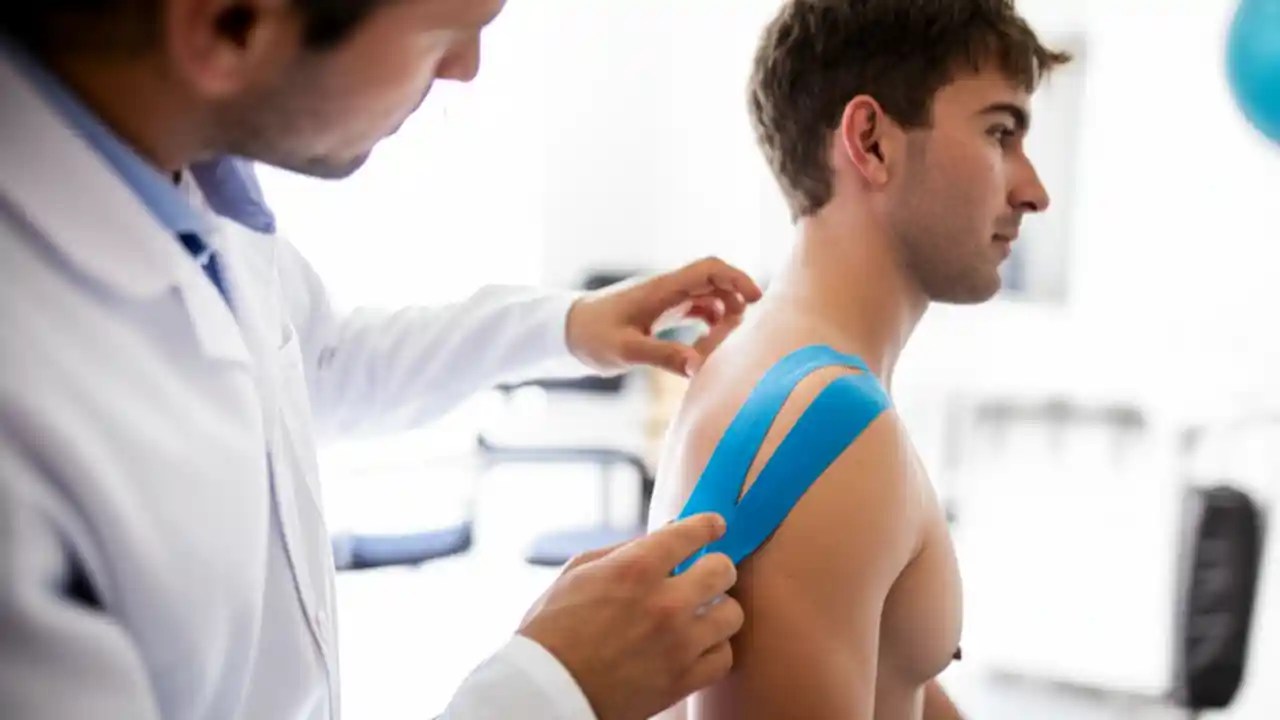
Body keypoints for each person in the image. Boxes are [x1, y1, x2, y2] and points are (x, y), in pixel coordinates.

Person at [0, 1, 760, 719]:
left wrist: (566, 326)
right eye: (442, 30)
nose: (466, 67)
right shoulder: (21, 436)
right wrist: (552, 688)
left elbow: (318, 361)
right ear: (228, 25)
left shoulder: (193, 189)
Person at [647, 1, 1070, 718]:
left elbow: (891, 675)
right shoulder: (829, 429)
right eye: (999, 132)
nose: (1033, 192)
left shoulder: (777, 365)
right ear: (871, 142)